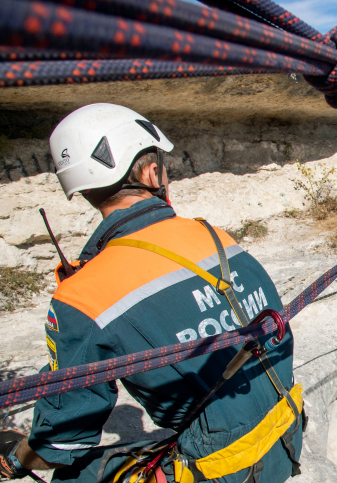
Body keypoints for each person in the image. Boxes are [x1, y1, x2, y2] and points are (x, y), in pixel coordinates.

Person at [0, 104, 303, 482]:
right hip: (287, 436)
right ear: (151, 172)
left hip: (223, 470)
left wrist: (15, 458)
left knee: (71, 475)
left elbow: (61, 441)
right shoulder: (214, 235)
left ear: (84, 191)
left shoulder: (82, 295)